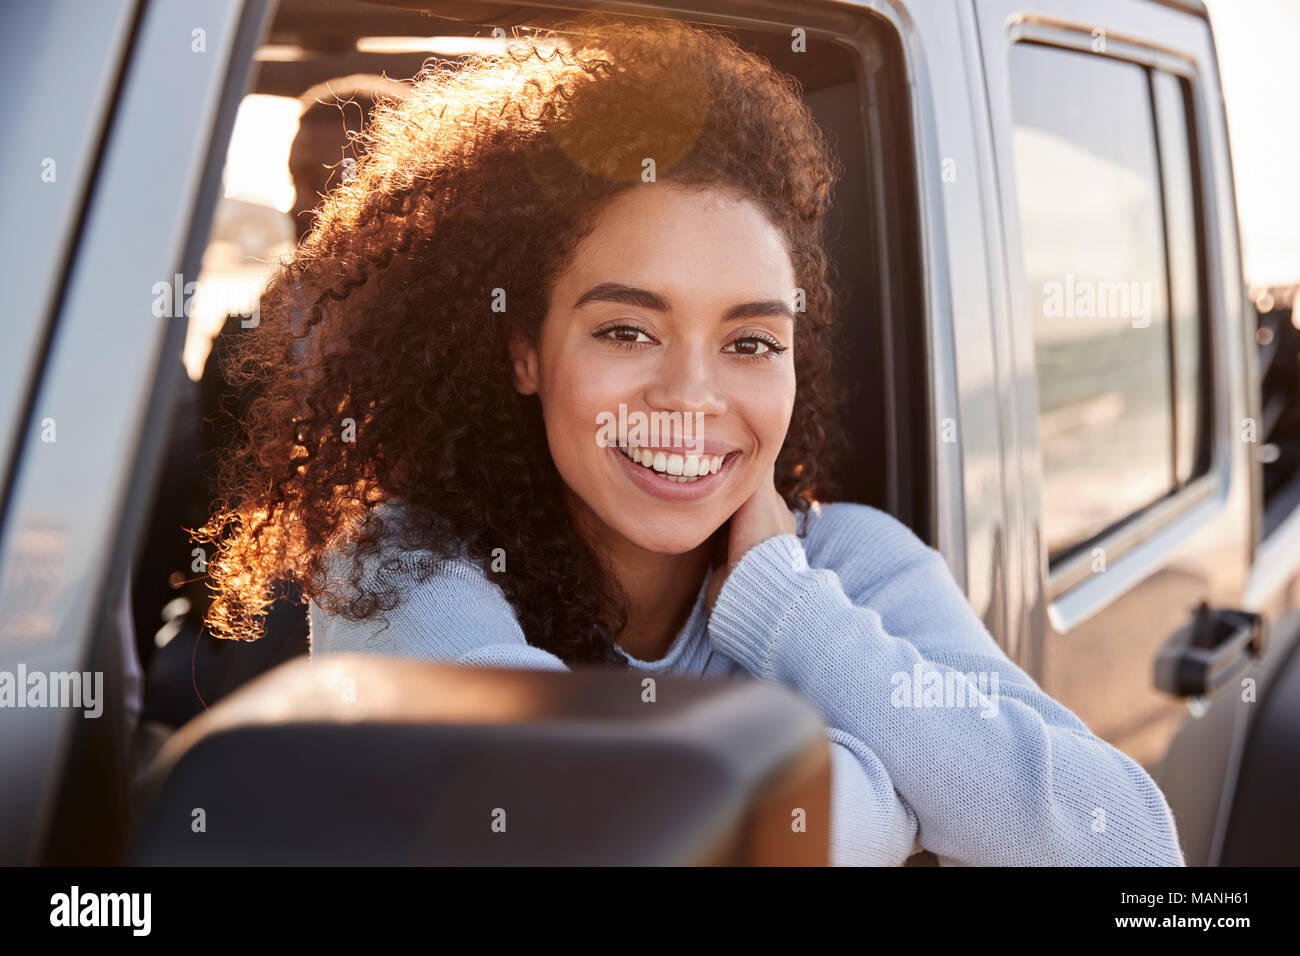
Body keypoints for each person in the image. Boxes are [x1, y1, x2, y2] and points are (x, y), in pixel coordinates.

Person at [196, 15, 1186, 866]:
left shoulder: (845, 565)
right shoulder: (397, 569)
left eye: (751, 340)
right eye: (626, 330)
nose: (691, 396)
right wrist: (904, 796)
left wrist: (784, 608)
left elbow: (1130, 843)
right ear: (524, 349)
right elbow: (596, 834)